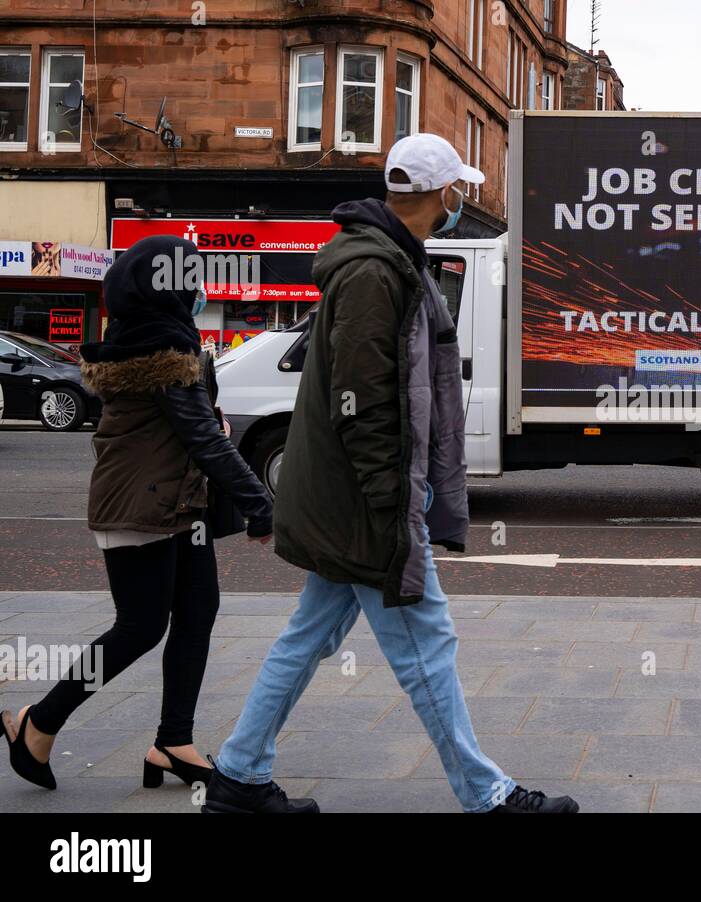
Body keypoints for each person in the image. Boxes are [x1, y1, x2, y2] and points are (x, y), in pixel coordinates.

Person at [204, 134, 579, 814]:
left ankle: (238, 774)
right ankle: (487, 796)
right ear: (439, 194)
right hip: (365, 504)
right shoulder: (377, 272)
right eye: (456, 188)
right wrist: (391, 507)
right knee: (426, 642)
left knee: (308, 636)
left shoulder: (385, 260)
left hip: (353, 497)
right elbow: (363, 403)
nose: (460, 199)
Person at [2, 235, 275, 792]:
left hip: (179, 503)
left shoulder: (155, 337)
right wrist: (259, 503)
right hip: (140, 506)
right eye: (189, 279)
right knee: (141, 627)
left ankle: (172, 742)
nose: (197, 289)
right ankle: (40, 721)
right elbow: (203, 436)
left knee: (197, 612)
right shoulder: (159, 347)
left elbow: (191, 427)